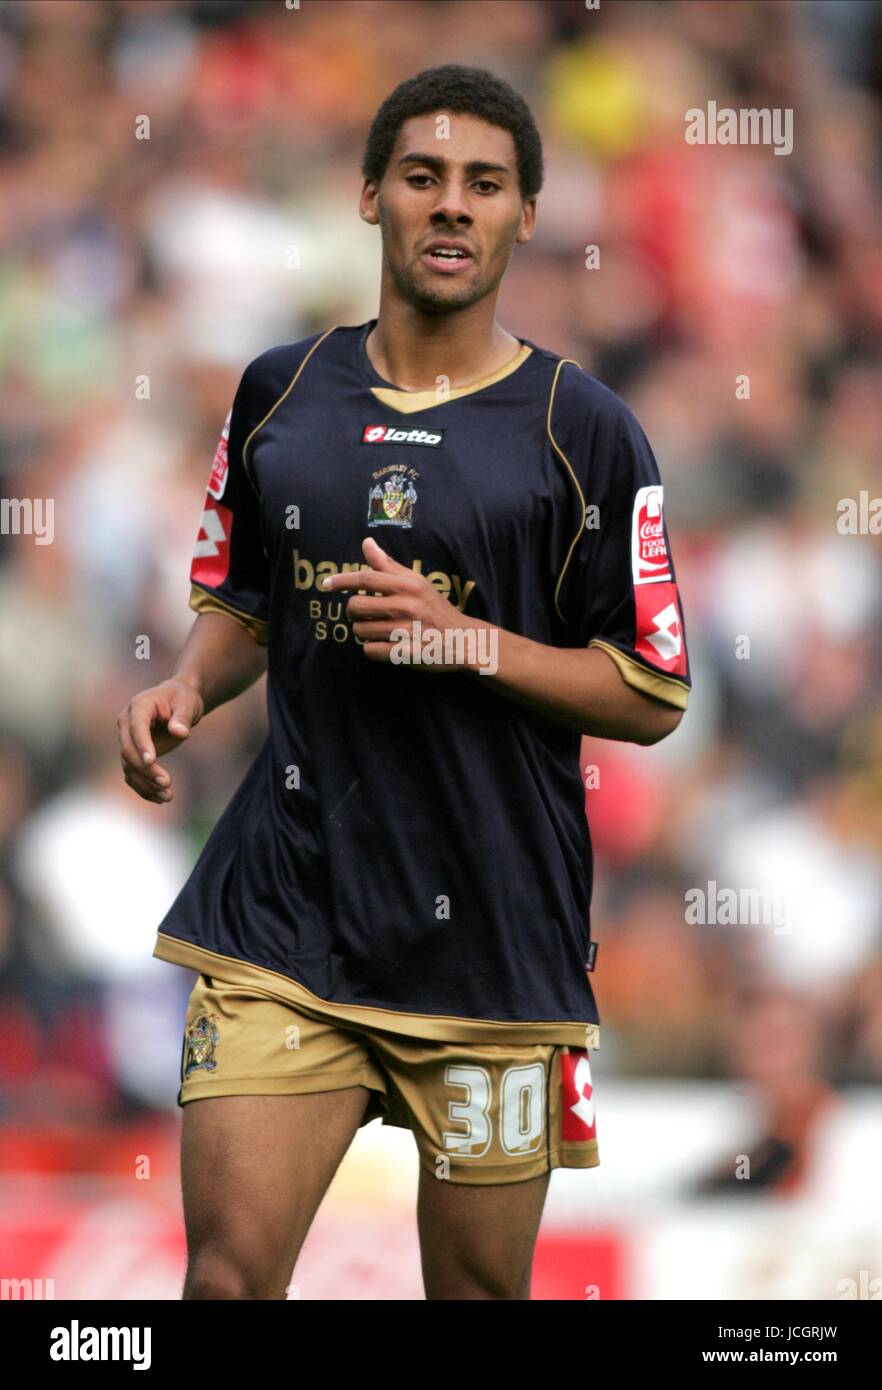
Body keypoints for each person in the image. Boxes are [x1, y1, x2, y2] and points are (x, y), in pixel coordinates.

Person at [117, 64, 690, 1301]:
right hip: (289, 911)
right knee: (221, 1280)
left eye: (483, 184)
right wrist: (190, 688)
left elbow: (652, 691)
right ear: (369, 193)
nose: (450, 205)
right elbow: (247, 603)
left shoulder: (580, 429)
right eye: (423, 178)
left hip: (492, 934)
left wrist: (465, 637)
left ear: (524, 214)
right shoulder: (279, 391)